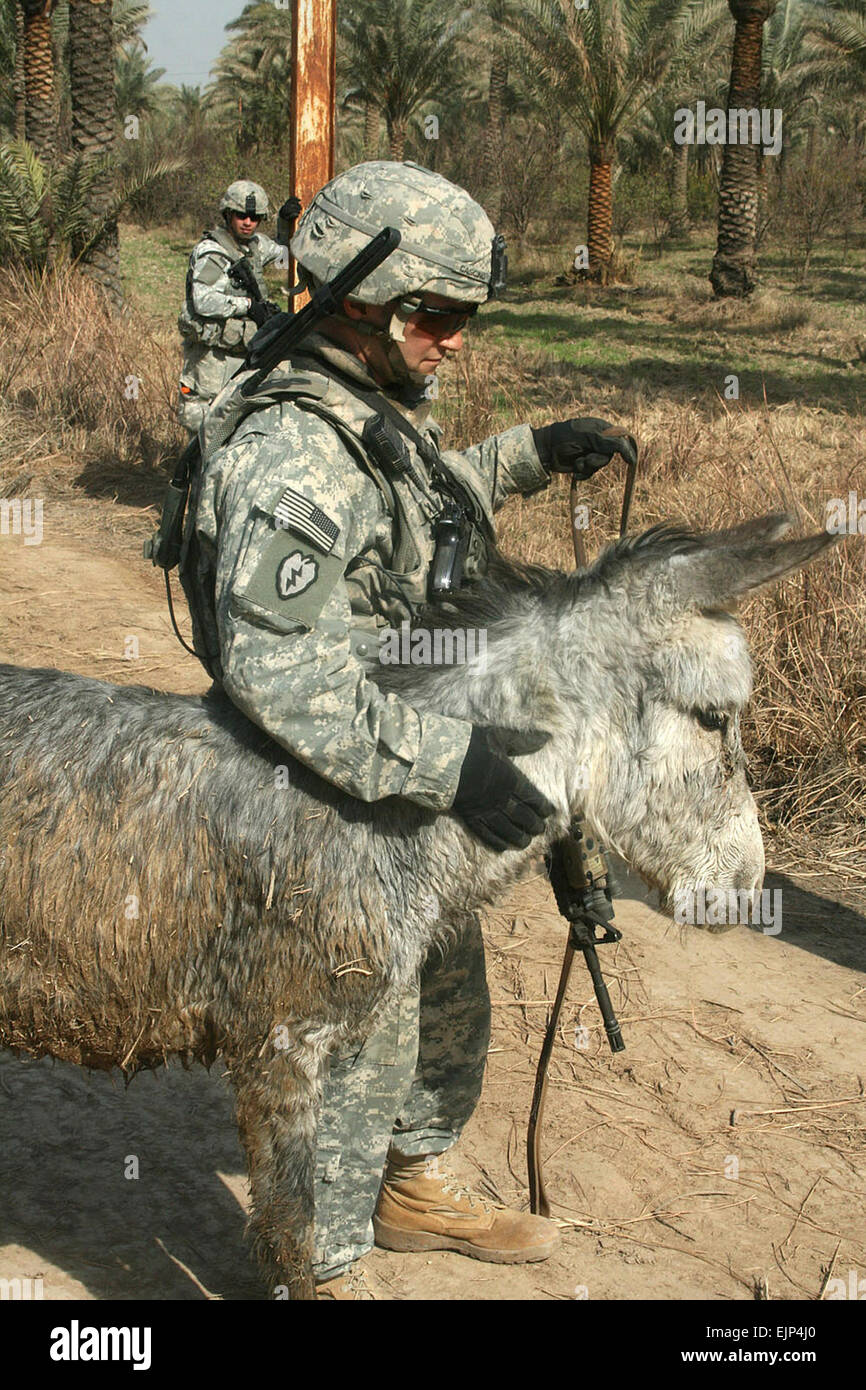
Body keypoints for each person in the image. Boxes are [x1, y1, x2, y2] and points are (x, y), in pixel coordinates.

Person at [181, 160, 637, 1298]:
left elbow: (418, 509)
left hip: (382, 768)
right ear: (356, 297)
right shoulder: (291, 448)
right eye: (434, 316)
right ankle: (319, 1268)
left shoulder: (368, 406)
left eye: (464, 319)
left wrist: (531, 452)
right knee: (355, 1037)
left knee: (446, 982)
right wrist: (454, 763)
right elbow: (274, 673)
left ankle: (412, 1184)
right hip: (307, 797)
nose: (454, 341)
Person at [177, 180, 290, 434]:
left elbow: (283, 249)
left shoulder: (254, 246)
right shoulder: (213, 253)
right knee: (203, 434)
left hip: (242, 358)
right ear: (228, 214)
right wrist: (247, 305)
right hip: (210, 362)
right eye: (242, 216)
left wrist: (284, 221)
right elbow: (203, 300)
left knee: (237, 433)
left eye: (255, 217)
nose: (248, 222)